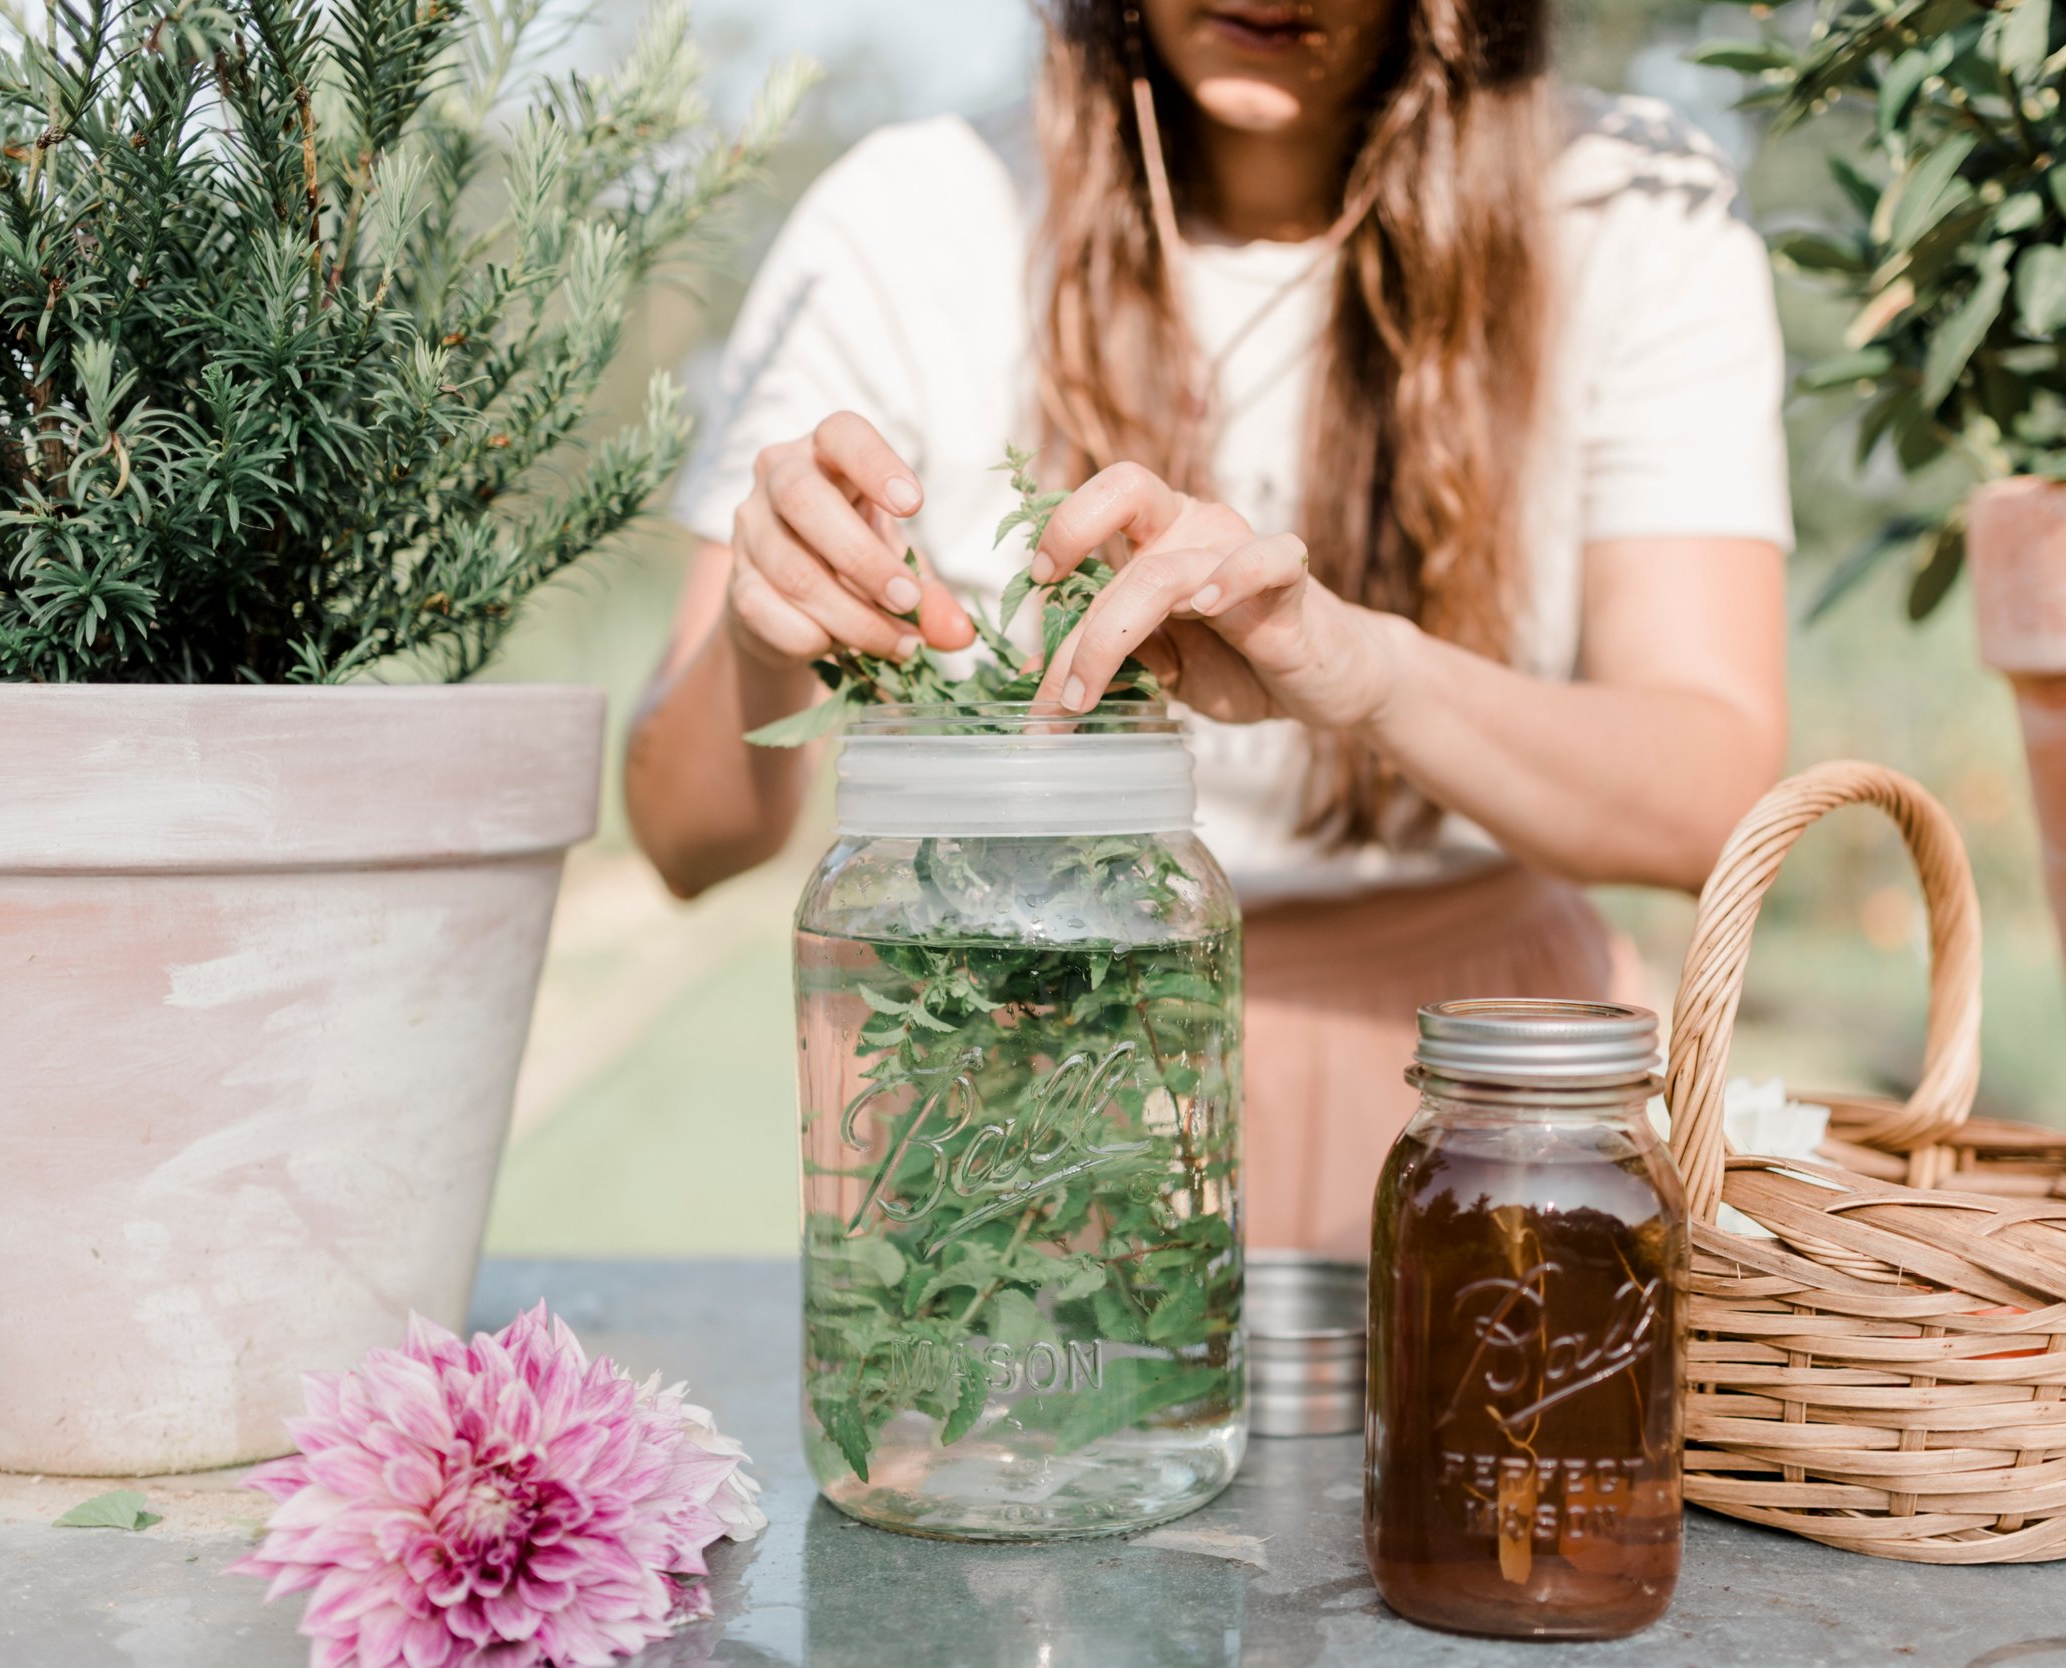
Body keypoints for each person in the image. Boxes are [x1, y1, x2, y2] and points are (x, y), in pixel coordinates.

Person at [625, 0, 1791, 1257]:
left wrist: (1370, 672)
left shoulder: (1632, 210)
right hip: (1021, 1112)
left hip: (1481, 1098)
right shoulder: (906, 220)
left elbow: (1711, 798)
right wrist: (764, 636)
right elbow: (685, 838)